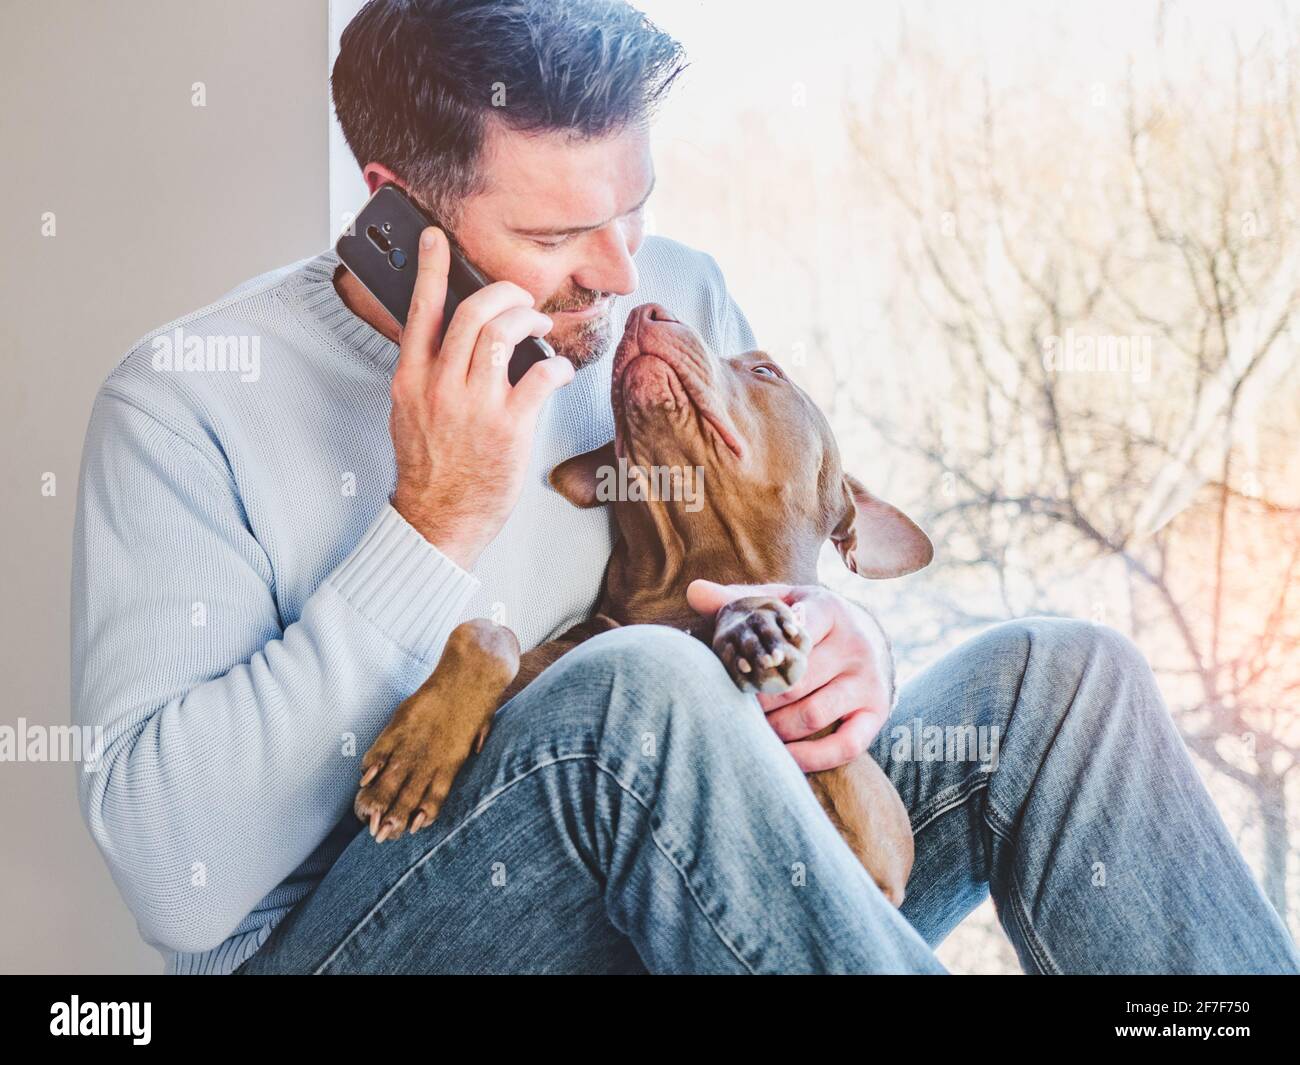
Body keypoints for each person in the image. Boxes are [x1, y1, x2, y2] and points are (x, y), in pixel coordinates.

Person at [71, 0, 1299, 975]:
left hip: (677, 875)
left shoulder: (664, 303)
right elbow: (182, 885)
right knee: (636, 688)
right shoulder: (188, 406)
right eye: (554, 240)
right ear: (396, 214)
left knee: (1058, 678)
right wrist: (430, 523)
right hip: (371, 943)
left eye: (635, 205)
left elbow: (783, 546)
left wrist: (843, 644)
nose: (618, 277)